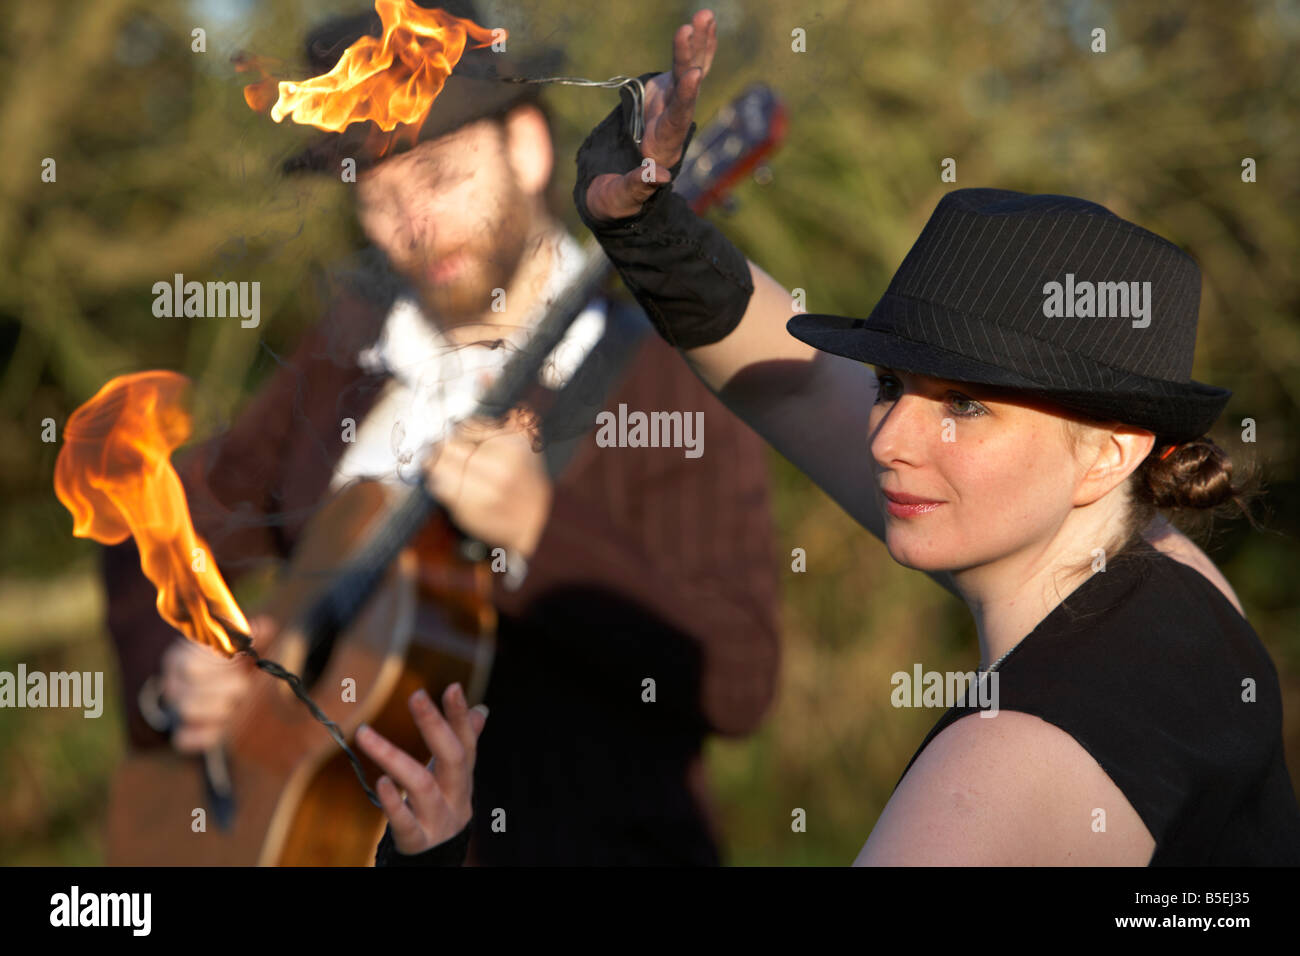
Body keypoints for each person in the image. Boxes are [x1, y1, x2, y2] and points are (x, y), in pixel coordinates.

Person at [567, 8, 1300, 864]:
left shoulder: (992, 781)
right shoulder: (1179, 588)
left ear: (1110, 451)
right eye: (890, 384)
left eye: (964, 405)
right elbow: (800, 387)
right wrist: (646, 233)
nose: (886, 440)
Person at [102, 2, 780, 867]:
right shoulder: (345, 355)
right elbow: (151, 517)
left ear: (527, 148)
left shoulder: (661, 386)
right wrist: (181, 661)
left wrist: (543, 532)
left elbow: (740, 679)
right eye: (377, 199)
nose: (410, 228)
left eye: (439, 177)